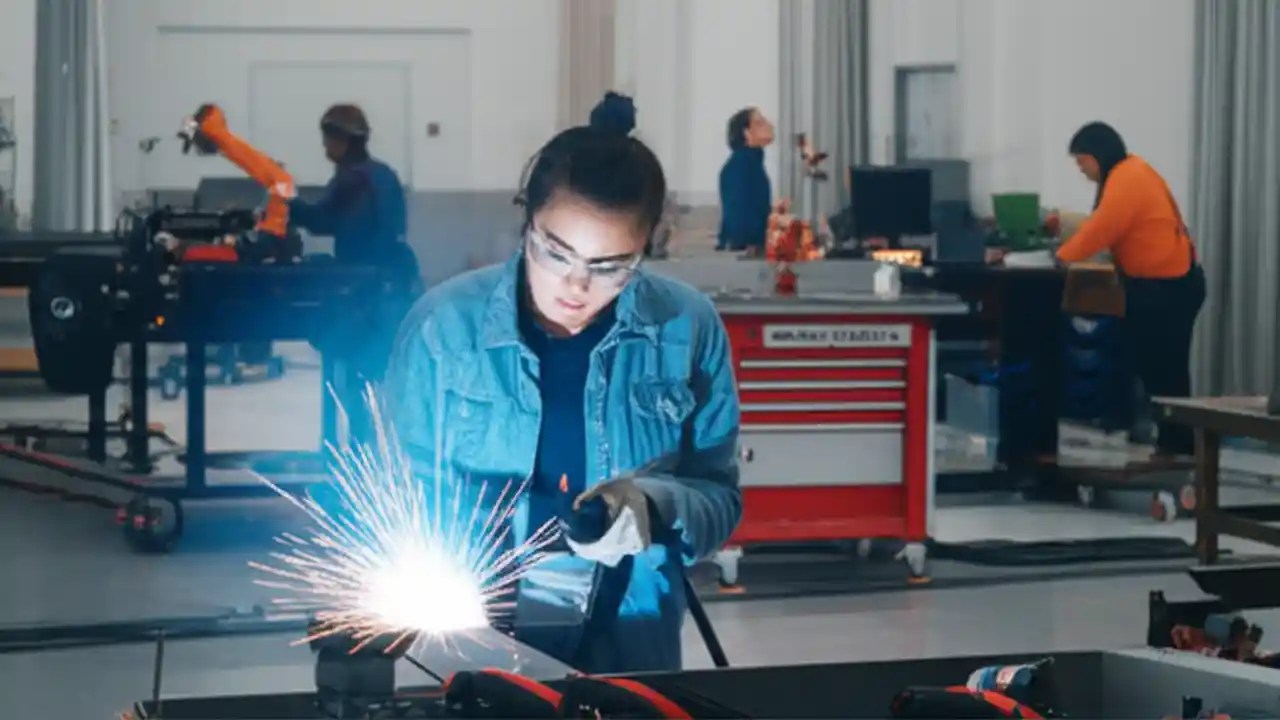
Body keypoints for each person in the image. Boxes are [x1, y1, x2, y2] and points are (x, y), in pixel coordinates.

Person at [384, 126, 743, 674]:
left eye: (609, 266)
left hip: (631, 635)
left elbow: (719, 498)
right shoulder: (443, 328)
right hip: (472, 638)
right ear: (527, 220)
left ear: (647, 247)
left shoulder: (686, 328)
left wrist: (652, 507)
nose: (576, 287)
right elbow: (392, 495)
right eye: (556, 253)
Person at [1055, 121, 1206, 460]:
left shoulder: (1128, 178)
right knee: (1151, 365)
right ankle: (1169, 439)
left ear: (1097, 155)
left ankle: (1180, 444)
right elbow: (1100, 225)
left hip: (1170, 289)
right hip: (1156, 287)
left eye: (1082, 162)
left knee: (1165, 369)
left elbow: (1102, 228)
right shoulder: (1128, 172)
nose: (1082, 170)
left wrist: (1060, 258)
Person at [717, 107, 774, 254]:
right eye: (760, 123)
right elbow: (738, 216)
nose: (770, 125)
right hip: (744, 255)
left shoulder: (752, 163)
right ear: (746, 133)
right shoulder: (740, 165)